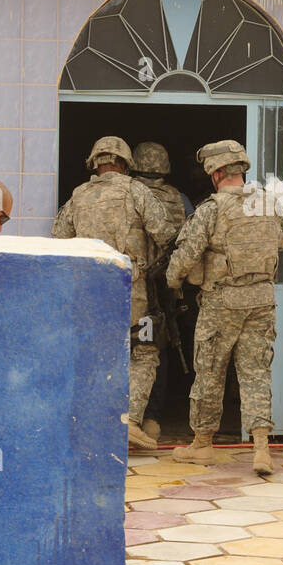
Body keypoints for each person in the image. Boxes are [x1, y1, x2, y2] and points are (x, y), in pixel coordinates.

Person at [165, 140, 283, 476]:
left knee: (210, 372)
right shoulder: (270, 203)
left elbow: (187, 255)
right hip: (262, 299)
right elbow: (280, 241)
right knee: (256, 374)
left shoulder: (211, 209)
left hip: (222, 303)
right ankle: (261, 449)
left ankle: (202, 444)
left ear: (217, 172)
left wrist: (172, 279)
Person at [51, 136, 175, 453]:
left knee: (94, 356)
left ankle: (91, 424)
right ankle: (130, 421)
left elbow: (59, 237)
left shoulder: (78, 195)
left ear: (95, 163)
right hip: (132, 288)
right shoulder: (136, 190)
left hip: (90, 291)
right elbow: (165, 233)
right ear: (124, 163)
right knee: (144, 352)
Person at [132, 142, 188, 442]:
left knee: (132, 349)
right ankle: (151, 417)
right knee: (158, 349)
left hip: (128, 282)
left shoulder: (126, 192)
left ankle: (129, 417)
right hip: (164, 283)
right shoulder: (179, 198)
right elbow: (188, 239)